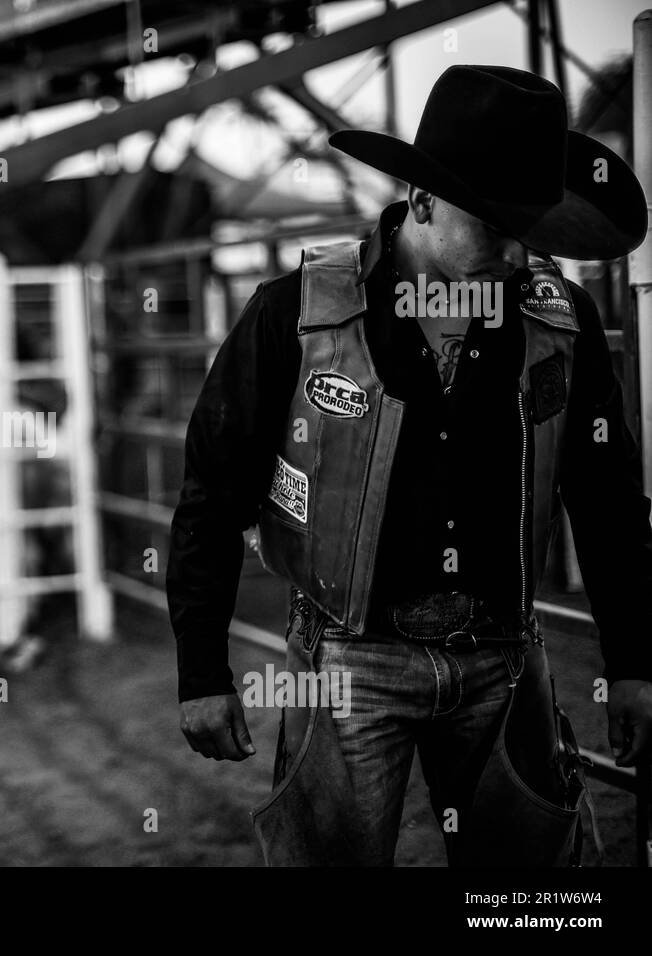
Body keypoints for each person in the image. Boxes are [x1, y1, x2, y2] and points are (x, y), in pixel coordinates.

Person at [167, 65, 652, 866]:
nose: (514, 249)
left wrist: (635, 660)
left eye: (525, 225)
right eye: (492, 224)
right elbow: (212, 496)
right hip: (347, 655)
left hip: (505, 652)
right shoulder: (292, 314)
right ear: (421, 201)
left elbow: (605, 500)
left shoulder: (558, 323)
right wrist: (201, 671)